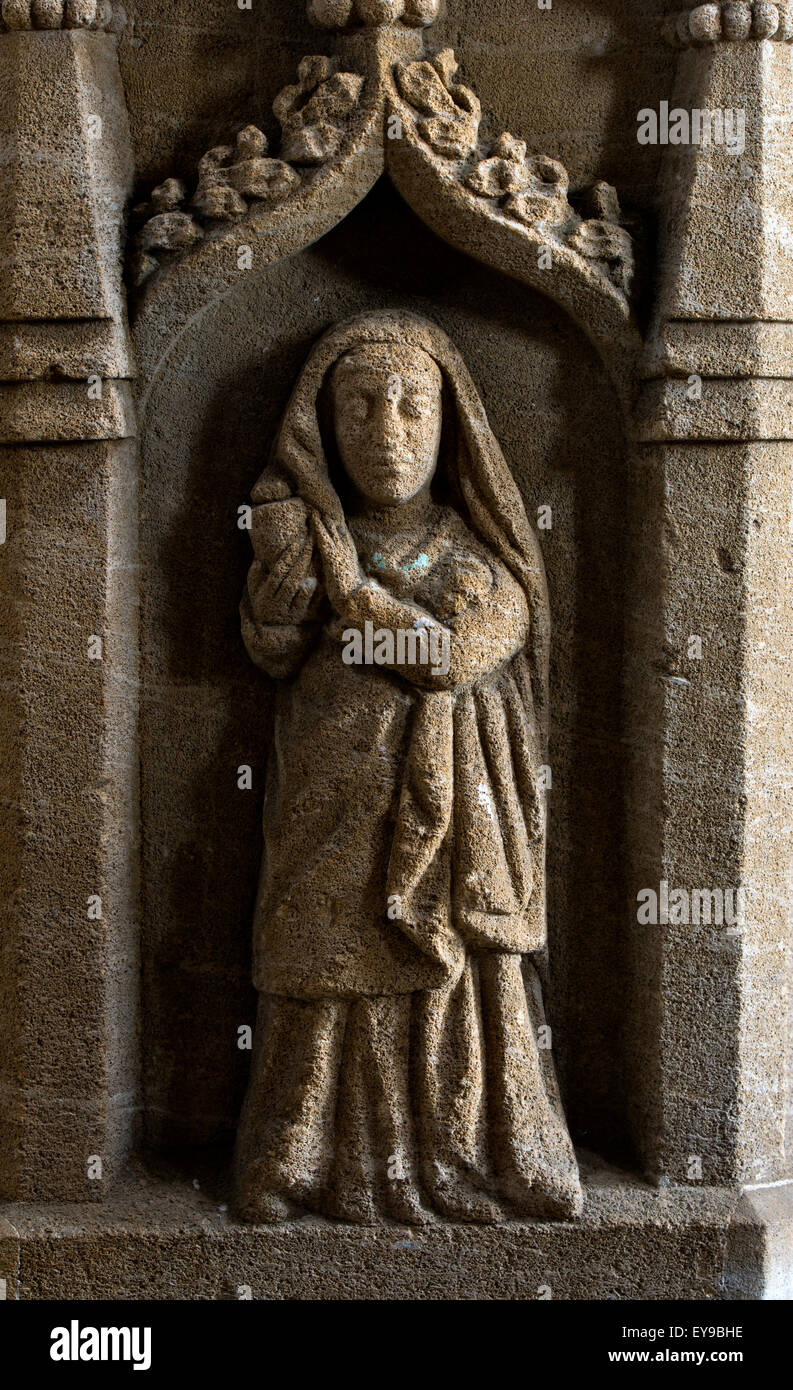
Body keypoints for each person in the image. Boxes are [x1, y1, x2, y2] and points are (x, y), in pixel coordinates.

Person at [234, 310, 582, 1224]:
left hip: (454, 813)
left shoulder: (476, 559)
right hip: (329, 790)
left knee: (461, 975)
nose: (387, 433)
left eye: (410, 408)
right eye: (360, 409)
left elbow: (454, 652)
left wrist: (354, 596)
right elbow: (269, 647)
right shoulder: (315, 539)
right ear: (323, 426)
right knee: (321, 956)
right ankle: (299, 1155)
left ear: (447, 424)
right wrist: (283, 573)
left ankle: (483, 1150)